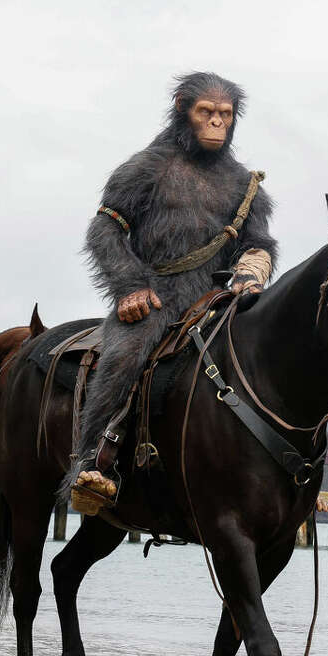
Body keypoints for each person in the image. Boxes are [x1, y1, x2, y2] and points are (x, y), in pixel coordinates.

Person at [67, 72, 275, 514]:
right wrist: (129, 287)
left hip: (219, 301)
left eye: (225, 115)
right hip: (155, 296)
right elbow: (105, 229)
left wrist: (252, 270)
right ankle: (92, 464)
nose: (217, 123)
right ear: (183, 107)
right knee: (124, 356)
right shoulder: (146, 168)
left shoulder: (245, 184)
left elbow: (258, 242)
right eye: (207, 113)